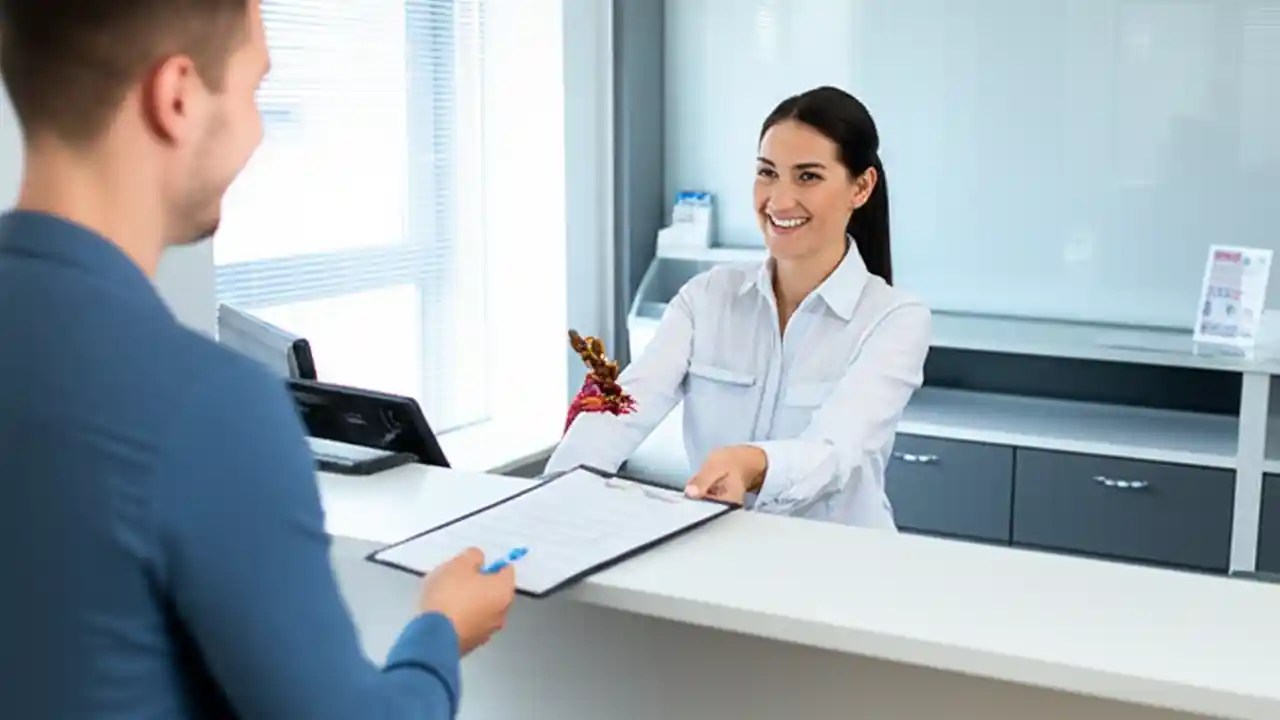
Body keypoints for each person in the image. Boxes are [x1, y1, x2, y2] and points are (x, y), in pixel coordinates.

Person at [0, 2, 514, 718]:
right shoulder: (206, 405)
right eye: (253, 89)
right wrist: (439, 631)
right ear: (176, 98)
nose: (257, 128)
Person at [545, 86, 931, 530]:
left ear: (860, 187)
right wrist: (556, 491)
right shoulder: (706, 298)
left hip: (839, 565)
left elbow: (836, 449)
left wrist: (750, 462)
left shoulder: (895, 318)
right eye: (767, 173)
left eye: (808, 176)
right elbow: (626, 406)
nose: (780, 200)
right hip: (722, 553)